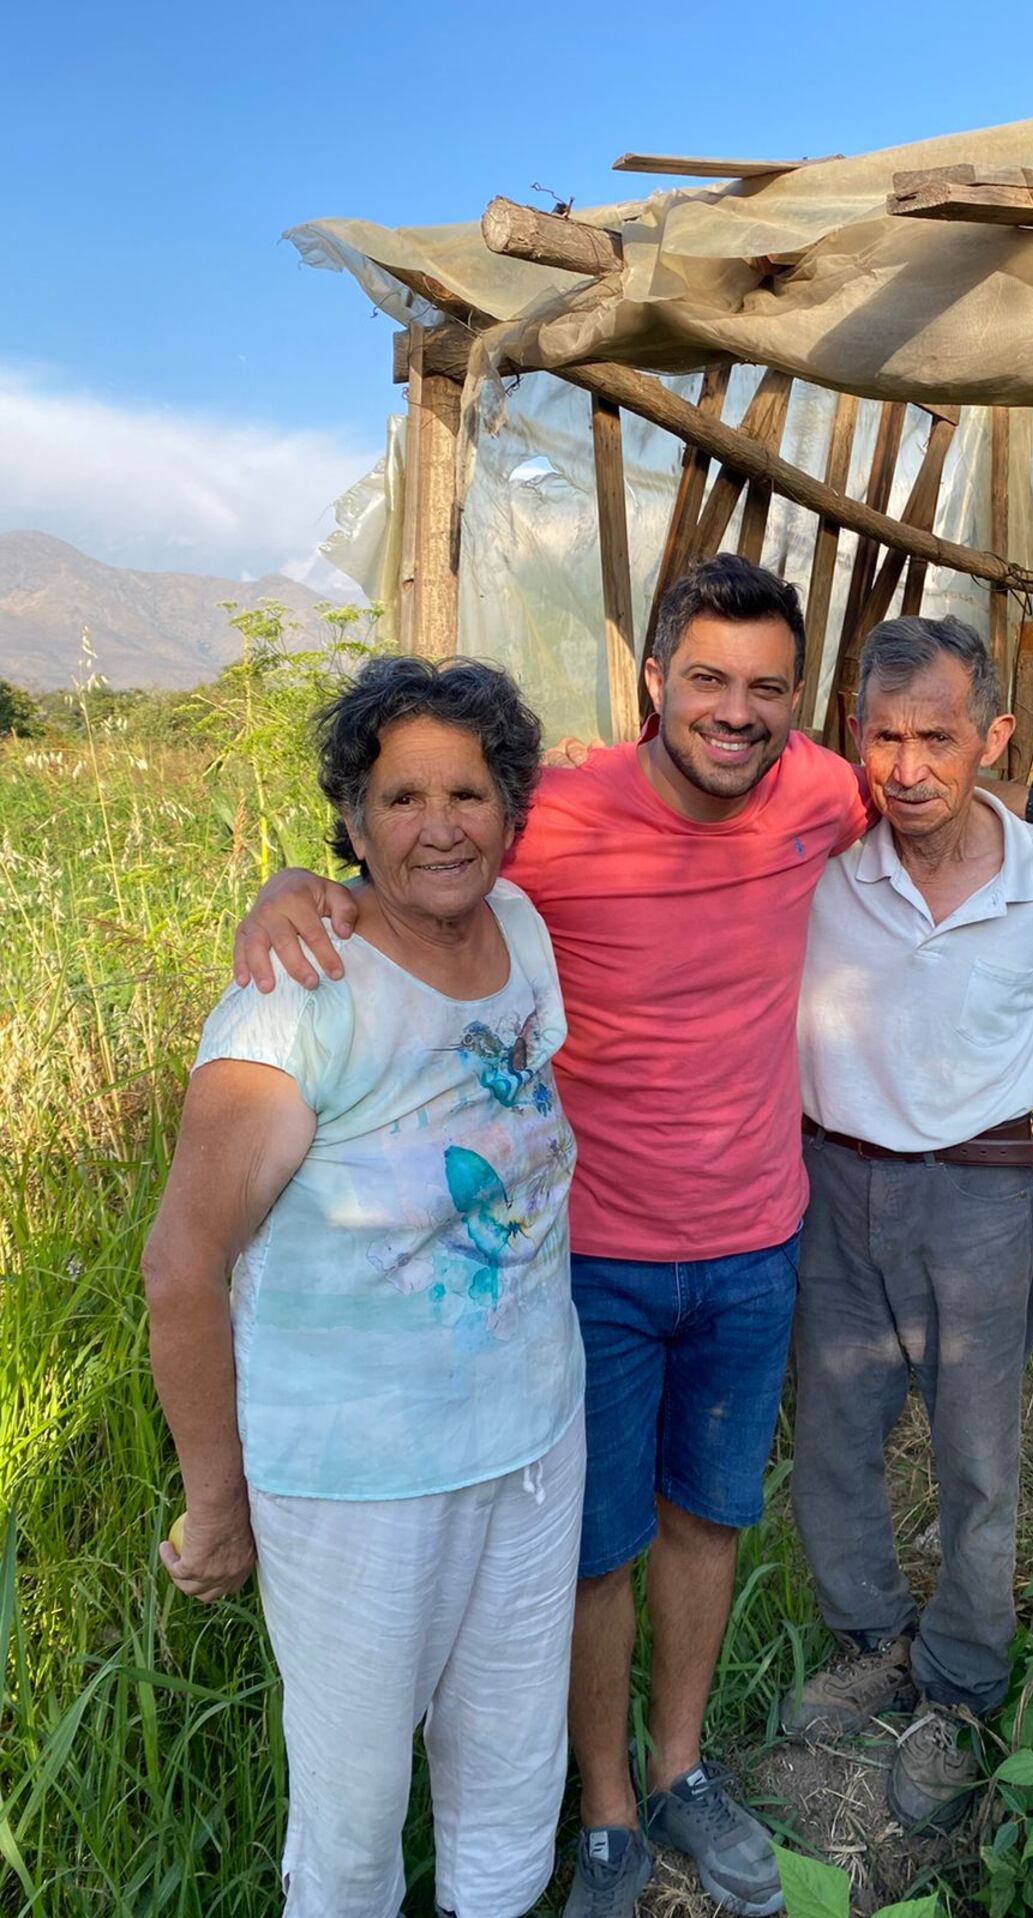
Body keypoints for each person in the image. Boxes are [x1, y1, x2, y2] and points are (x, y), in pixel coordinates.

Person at [233, 556, 1033, 1918]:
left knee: (706, 1517)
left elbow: (939, 774)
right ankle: (603, 1815)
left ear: (793, 706)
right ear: (654, 679)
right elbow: (424, 854)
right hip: (588, 1258)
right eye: (706, 677)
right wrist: (302, 880)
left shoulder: (820, 791)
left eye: (767, 688)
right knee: (595, 1548)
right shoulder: (560, 817)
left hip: (760, 1242)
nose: (735, 711)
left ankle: (683, 1766)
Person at [144, 656, 587, 1918]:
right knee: (348, 1821)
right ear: (349, 815)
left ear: (511, 806)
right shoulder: (295, 999)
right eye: (401, 798)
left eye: (468, 792)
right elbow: (182, 1263)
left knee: (510, 1773)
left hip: (532, 1438)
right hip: (359, 1481)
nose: (440, 825)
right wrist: (216, 1502)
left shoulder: (524, 933)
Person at [783, 615, 1033, 1833]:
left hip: (982, 1195)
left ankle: (964, 1684)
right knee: (836, 1438)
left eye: (938, 737)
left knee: (979, 1457)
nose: (908, 768)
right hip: (833, 1184)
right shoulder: (822, 862)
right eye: (884, 736)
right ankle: (872, 1639)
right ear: (851, 735)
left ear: (995, 739)